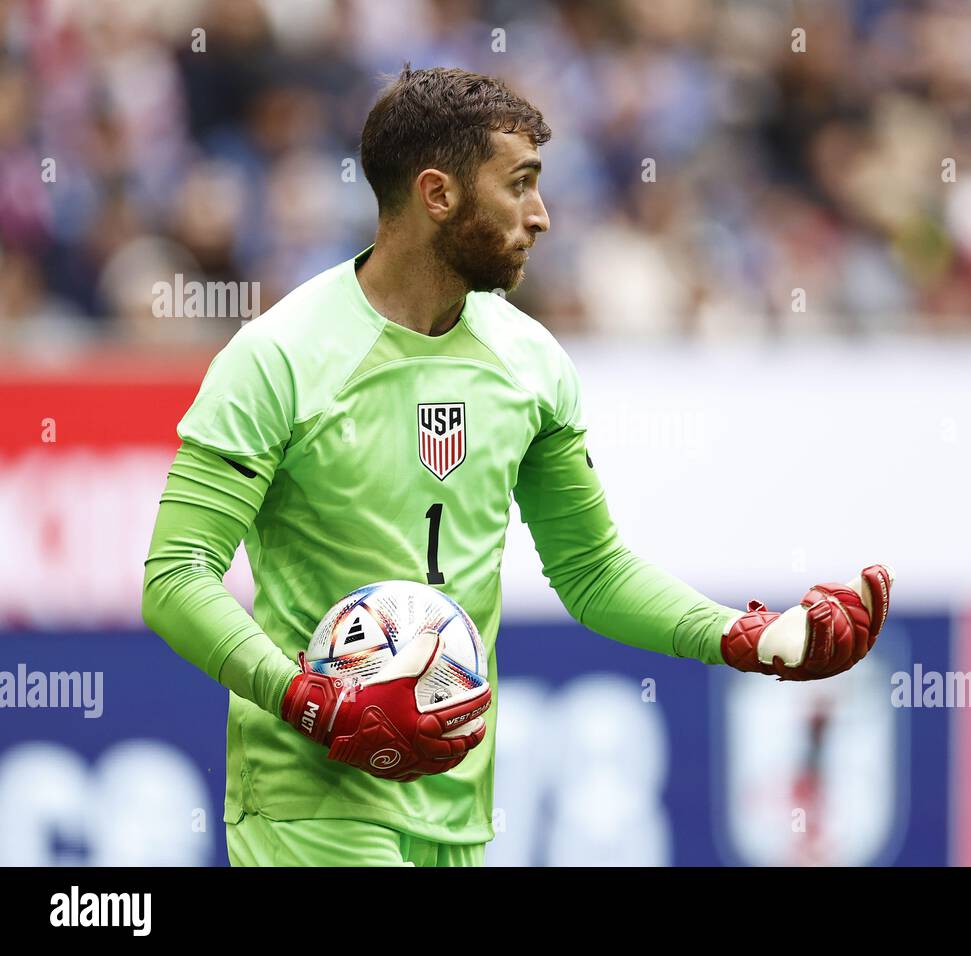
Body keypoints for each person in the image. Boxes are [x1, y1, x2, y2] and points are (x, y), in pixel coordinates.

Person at [141, 65, 893, 868]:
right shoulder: (276, 359)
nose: (541, 216)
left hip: (458, 813)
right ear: (438, 195)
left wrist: (751, 638)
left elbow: (592, 571)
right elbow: (176, 576)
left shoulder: (530, 362)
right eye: (520, 185)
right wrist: (309, 701)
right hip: (312, 804)